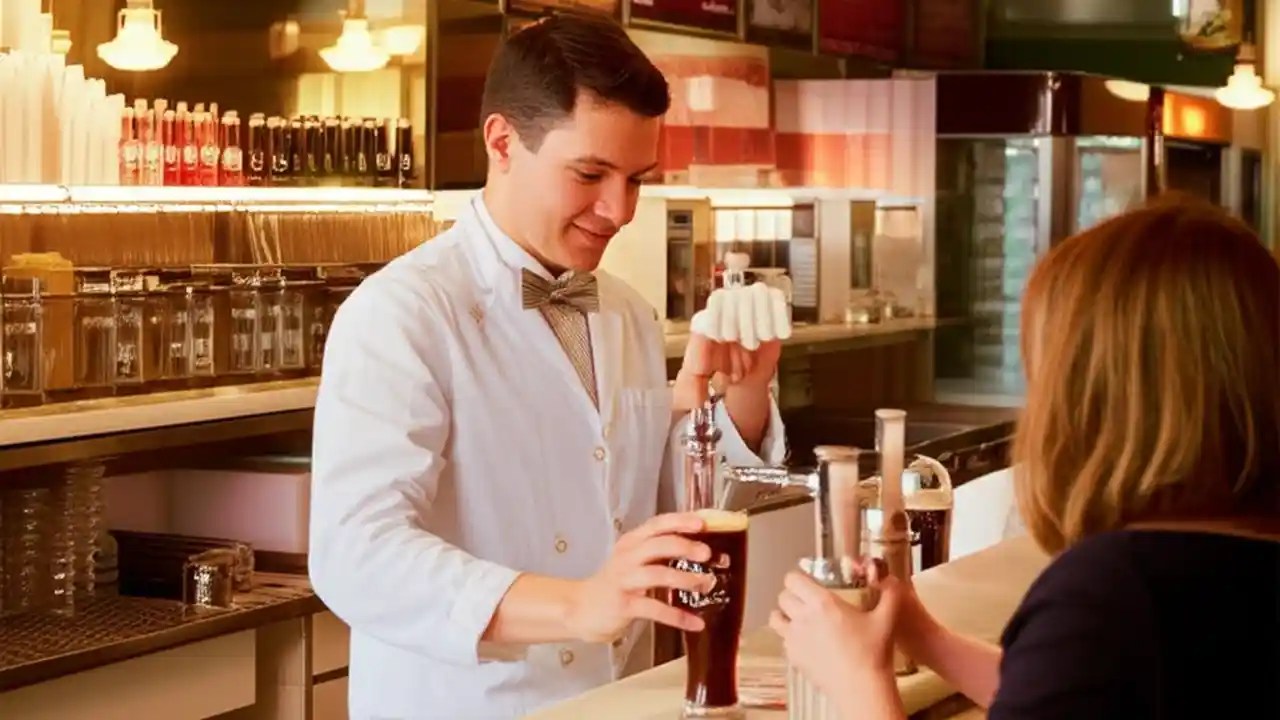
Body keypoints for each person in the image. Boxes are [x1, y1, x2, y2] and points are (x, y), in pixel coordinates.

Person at [308, 12, 787, 720]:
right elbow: (357, 554)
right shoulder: (402, 313)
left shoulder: (626, 312)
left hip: (611, 701)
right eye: (590, 174)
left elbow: (650, 509)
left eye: (636, 179)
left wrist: (741, 394)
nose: (618, 210)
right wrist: (577, 604)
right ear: (503, 142)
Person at [769, 198, 1280, 719]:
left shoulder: (1112, 595)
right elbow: (1074, 695)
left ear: (1094, 398)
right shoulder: (1223, 570)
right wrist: (923, 636)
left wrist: (857, 678)